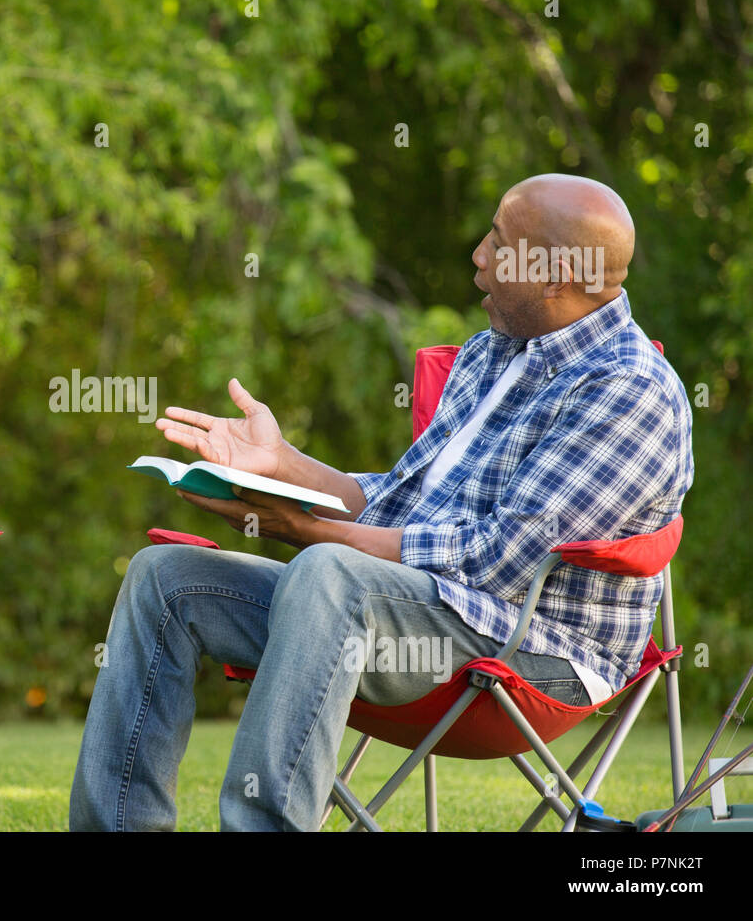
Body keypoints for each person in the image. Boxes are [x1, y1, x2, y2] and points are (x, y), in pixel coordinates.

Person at [69, 173, 694, 831]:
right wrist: (284, 467)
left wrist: (307, 531)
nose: (478, 256)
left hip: (535, 657)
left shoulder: (627, 390)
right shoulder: (492, 353)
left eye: (499, 242)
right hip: (404, 615)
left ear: (553, 274)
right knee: (164, 579)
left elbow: (493, 563)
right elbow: (401, 500)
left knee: (329, 572)